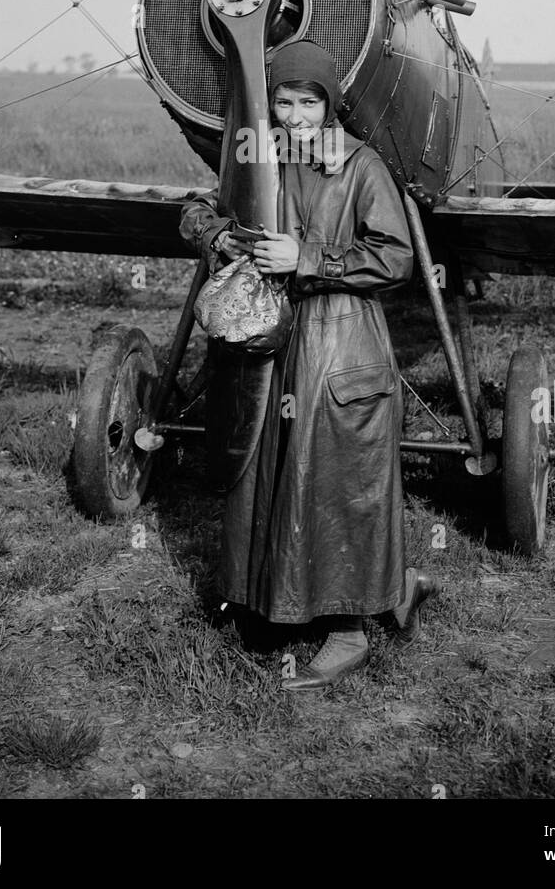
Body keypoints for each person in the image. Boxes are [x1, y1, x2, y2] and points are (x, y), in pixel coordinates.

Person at [179, 39, 438, 690]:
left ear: (330, 103)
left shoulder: (360, 165)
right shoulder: (260, 158)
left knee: (332, 484)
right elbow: (195, 210)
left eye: (307, 101)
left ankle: (348, 629)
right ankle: (277, 600)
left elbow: (396, 257)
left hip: (339, 347)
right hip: (271, 346)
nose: (294, 114)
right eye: (284, 100)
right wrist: (220, 235)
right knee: (270, 477)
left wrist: (309, 258)